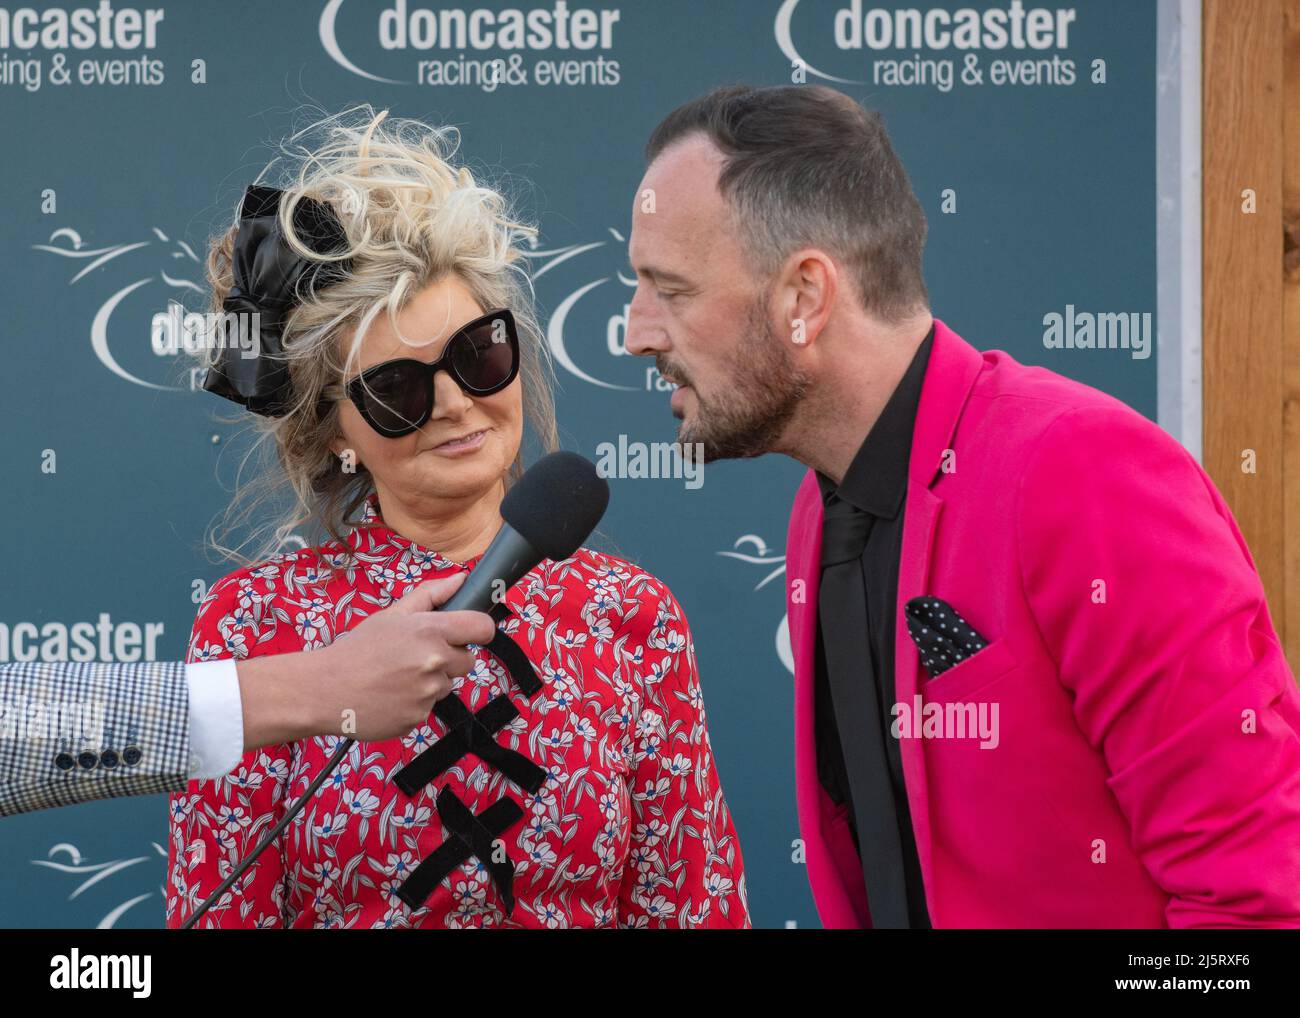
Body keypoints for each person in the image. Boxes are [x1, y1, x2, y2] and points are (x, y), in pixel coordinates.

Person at [624, 83, 1300, 928]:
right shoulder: (818, 512)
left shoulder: (1080, 469)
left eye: (671, 290)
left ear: (805, 297)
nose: (636, 331)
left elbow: (1258, 902)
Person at [165, 107, 749, 930]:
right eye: (397, 389)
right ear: (336, 430)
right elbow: (221, 915)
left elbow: (693, 908)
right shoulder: (258, 626)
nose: (453, 403)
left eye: (479, 354)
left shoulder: (633, 620)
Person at [0, 576, 485, 817]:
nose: (453, 404)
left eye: (481, 373)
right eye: (393, 391)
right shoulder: (258, 606)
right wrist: (321, 685)